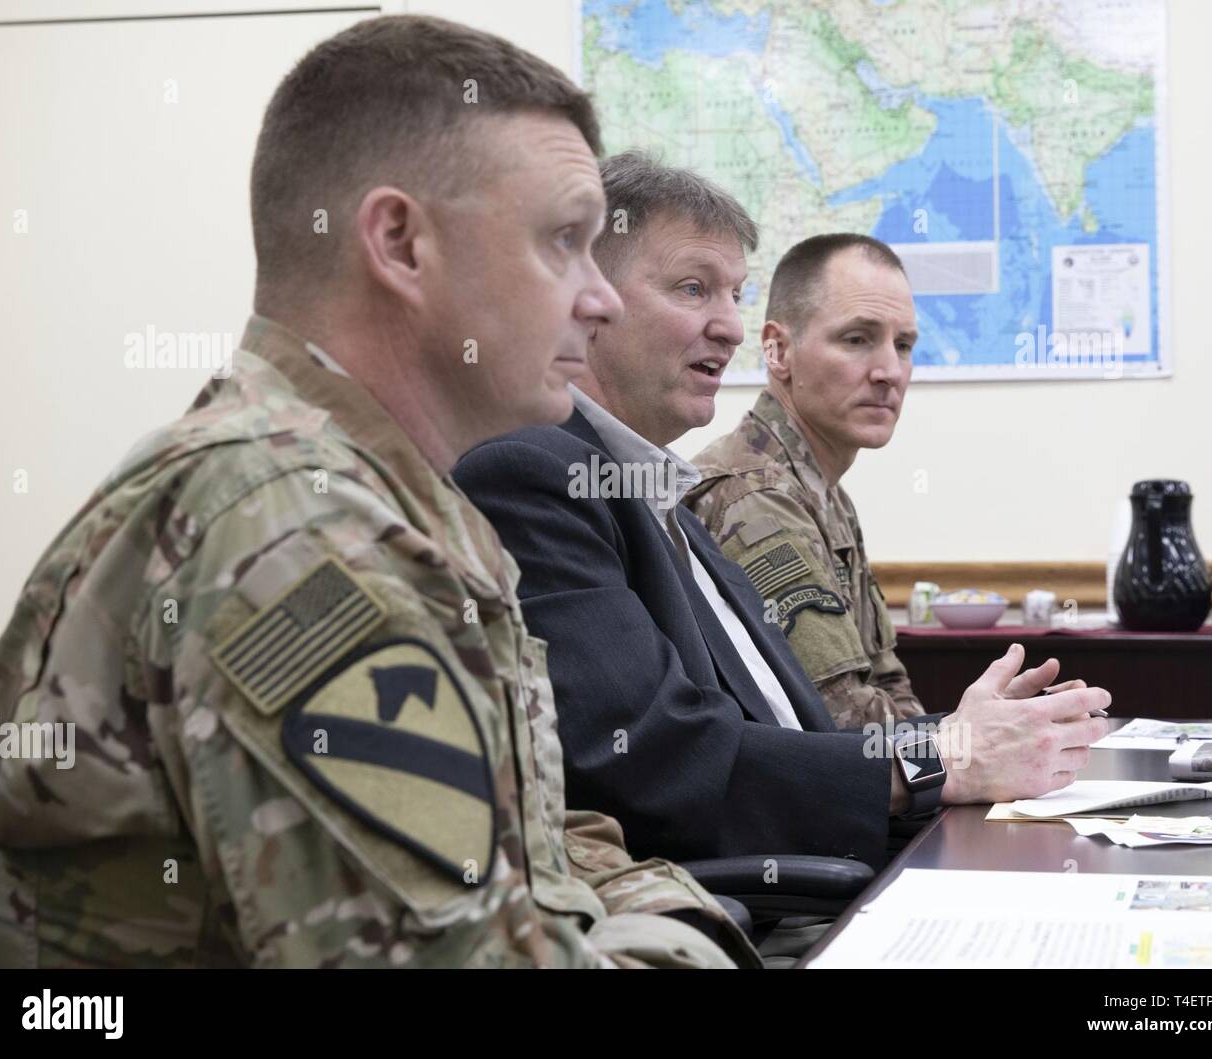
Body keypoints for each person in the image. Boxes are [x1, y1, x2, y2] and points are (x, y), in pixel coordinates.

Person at [0, 17, 754, 970]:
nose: (598, 298)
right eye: (564, 242)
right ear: (400, 243)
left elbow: (540, 841)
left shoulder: (390, 501)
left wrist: (651, 910)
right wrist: (699, 936)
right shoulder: (295, 532)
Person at [455, 151, 1111, 873]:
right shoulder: (533, 472)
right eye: (694, 289)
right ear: (589, 299)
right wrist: (939, 758)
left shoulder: (654, 491)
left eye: (735, 294)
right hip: (744, 912)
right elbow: (654, 762)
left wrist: (984, 732)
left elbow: (794, 727)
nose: (731, 327)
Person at [686, 234, 927, 727]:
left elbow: (887, 683)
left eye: (902, 345)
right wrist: (964, 747)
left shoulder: (824, 490)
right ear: (777, 350)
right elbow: (842, 723)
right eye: (857, 339)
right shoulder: (755, 497)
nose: (888, 371)